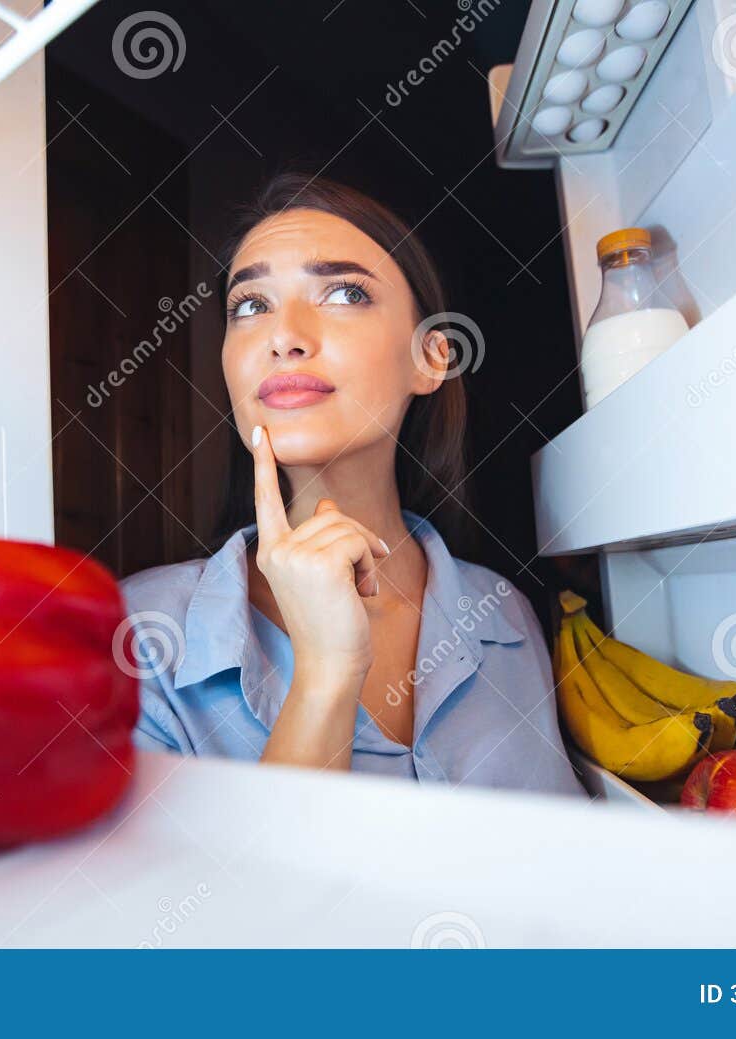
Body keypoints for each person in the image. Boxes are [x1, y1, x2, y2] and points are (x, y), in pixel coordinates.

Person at [119, 173, 583, 796]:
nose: (284, 337)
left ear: (432, 358)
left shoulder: (506, 615)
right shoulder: (139, 633)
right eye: (251, 306)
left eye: (343, 293)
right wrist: (326, 673)